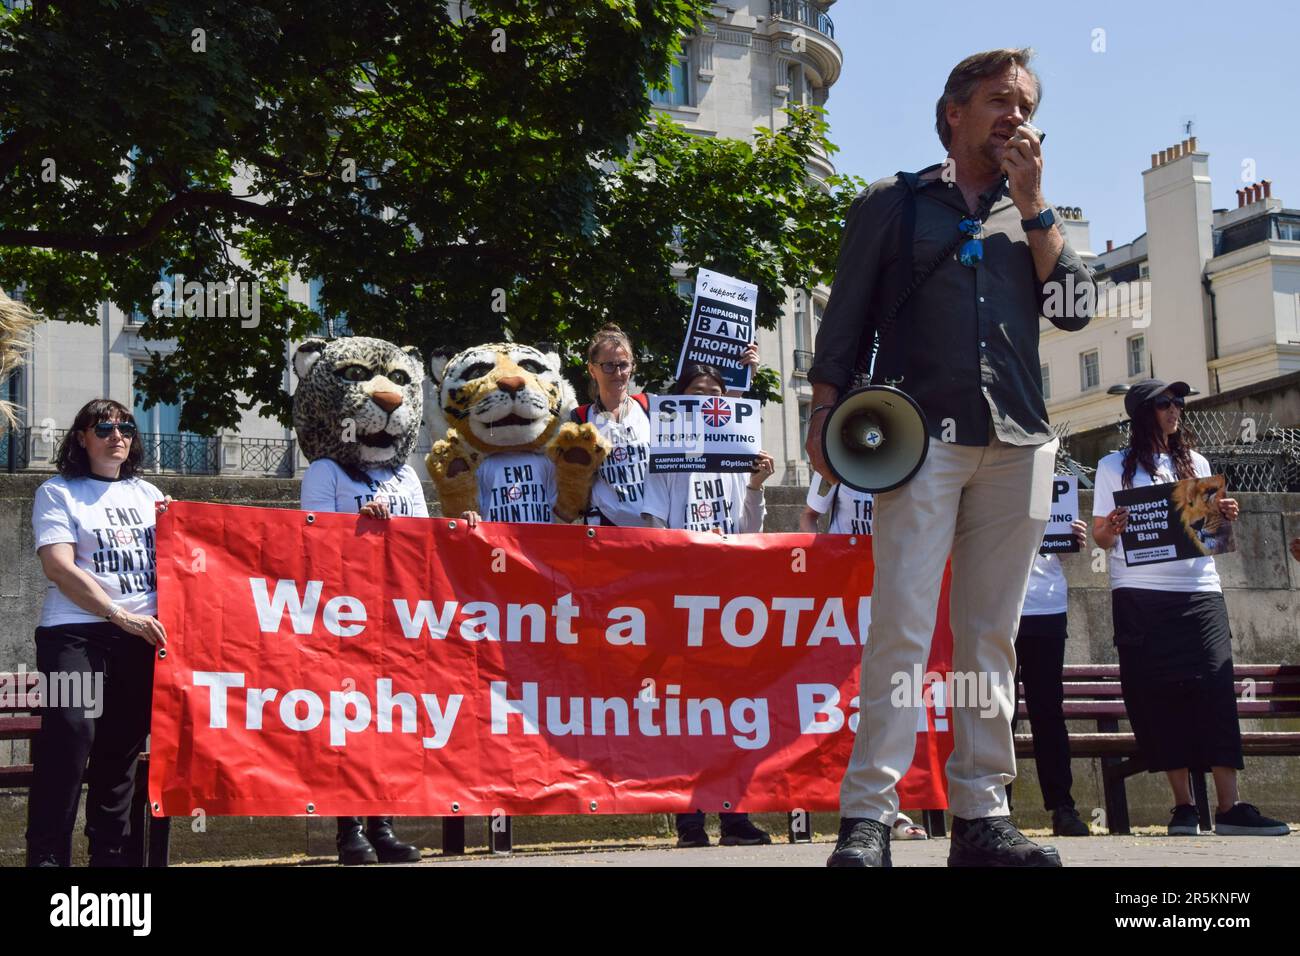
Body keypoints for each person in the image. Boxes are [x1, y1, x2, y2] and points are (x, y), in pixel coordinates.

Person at [809, 48, 1096, 867]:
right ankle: (869, 815)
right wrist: (826, 412)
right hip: (917, 438)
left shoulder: (1033, 215)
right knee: (901, 624)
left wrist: (1036, 205)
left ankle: (981, 813)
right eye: (1000, 100)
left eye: (1028, 105)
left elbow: (1075, 312)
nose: (1016, 116)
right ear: (954, 113)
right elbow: (846, 322)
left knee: (989, 636)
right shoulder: (894, 206)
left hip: (1018, 441)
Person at [1091, 379, 1290, 837]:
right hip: (1140, 594)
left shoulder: (1195, 462)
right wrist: (1115, 529)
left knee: (1216, 690)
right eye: (1165, 403)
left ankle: (1230, 807)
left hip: (1200, 592)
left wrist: (1225, 514)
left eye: (1179, 402)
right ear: (1143, 412)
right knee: (1159, 698)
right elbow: (1101, 537)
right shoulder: (1112, 467)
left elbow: (1210, 529)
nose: (1176, 409)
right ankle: (1183, 807)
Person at [26, 400, 168, 867]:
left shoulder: (151, 496)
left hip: (139, 641)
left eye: (126, 426)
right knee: (71, 735)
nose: (117, 434)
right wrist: (116, 614)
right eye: (103, 427)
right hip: (75, 634)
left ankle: (109, 857)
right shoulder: (58, 491)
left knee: (121, 750)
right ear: (82, 438)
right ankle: (47, 856)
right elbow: (58, 568)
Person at [640, 362, 776, 848]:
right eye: (696, 394)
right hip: (682, 602)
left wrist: (756, 486)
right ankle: (691, 821)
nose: (706, 403)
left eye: (715, 395)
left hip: (730, 601)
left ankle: (736, 818)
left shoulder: (738, 458)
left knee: (732, 711)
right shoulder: (669, 461)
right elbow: (654, 527)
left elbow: (752, 531)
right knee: (686, 713)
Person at [1011, 521, 1090, 837]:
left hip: (1047, 605)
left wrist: (1068, 542)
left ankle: (1062, 806)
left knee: (1049, 714)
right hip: (998, 604)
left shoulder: (1052, 485)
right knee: (999, 714)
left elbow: (1055, 555)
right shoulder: (986, 479)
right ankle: (995, 810)